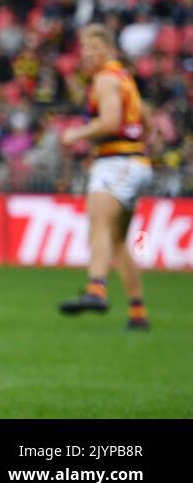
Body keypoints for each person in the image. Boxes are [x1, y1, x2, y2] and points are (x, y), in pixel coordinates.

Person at [58, 24, 151, 330]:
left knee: (97, 223)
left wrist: (76, 134)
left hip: (116, 162)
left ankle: (96, 289)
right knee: (118, 240)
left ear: (109, 49)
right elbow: (146, 119)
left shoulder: (105, 79)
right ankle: (137, 311)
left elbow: (110, 122)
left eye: (94, 48)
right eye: (84, 49)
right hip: (134, 161)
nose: (88, 55)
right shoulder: (124, 78)